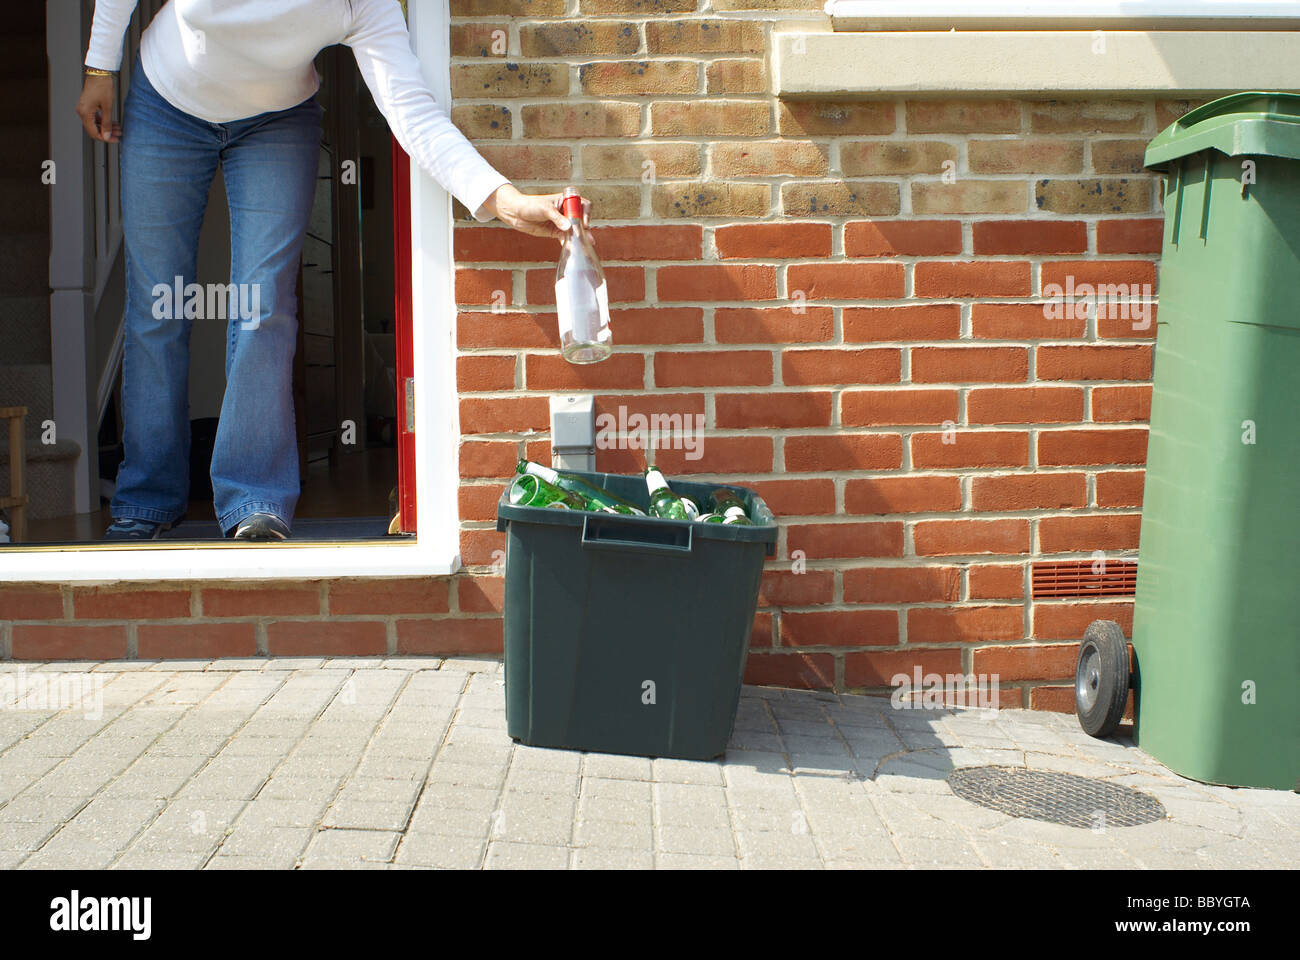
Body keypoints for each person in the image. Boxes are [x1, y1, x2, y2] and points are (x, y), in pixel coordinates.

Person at [78, 0, 572, 541]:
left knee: (264, 305)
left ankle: (253, 496)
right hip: (166, 102)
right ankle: (146, 499)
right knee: (159, 302)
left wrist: (504, 200)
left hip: (276, 119)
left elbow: (412, 112)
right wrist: (100, 67)